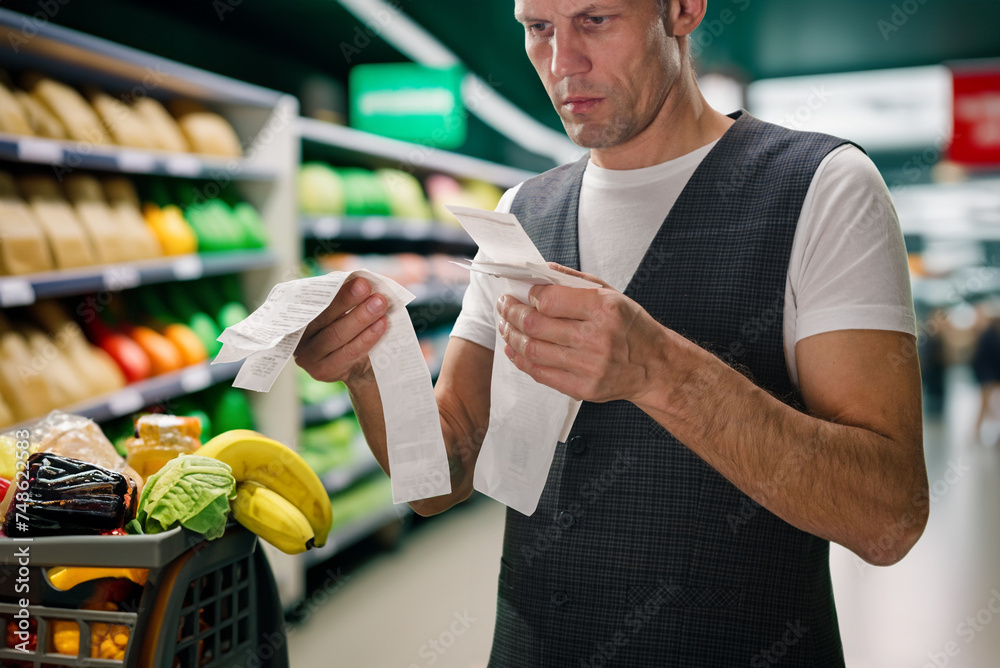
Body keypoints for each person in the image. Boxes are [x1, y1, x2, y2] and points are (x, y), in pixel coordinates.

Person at [294, 0, 929, 664]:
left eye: (595, 19)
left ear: (682, 10)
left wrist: (659, 369)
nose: (563, 63)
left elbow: (889, 518)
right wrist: (369, 365)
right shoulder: (521, 214)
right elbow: (438, 479)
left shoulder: (823, 189)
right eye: (538, 28)